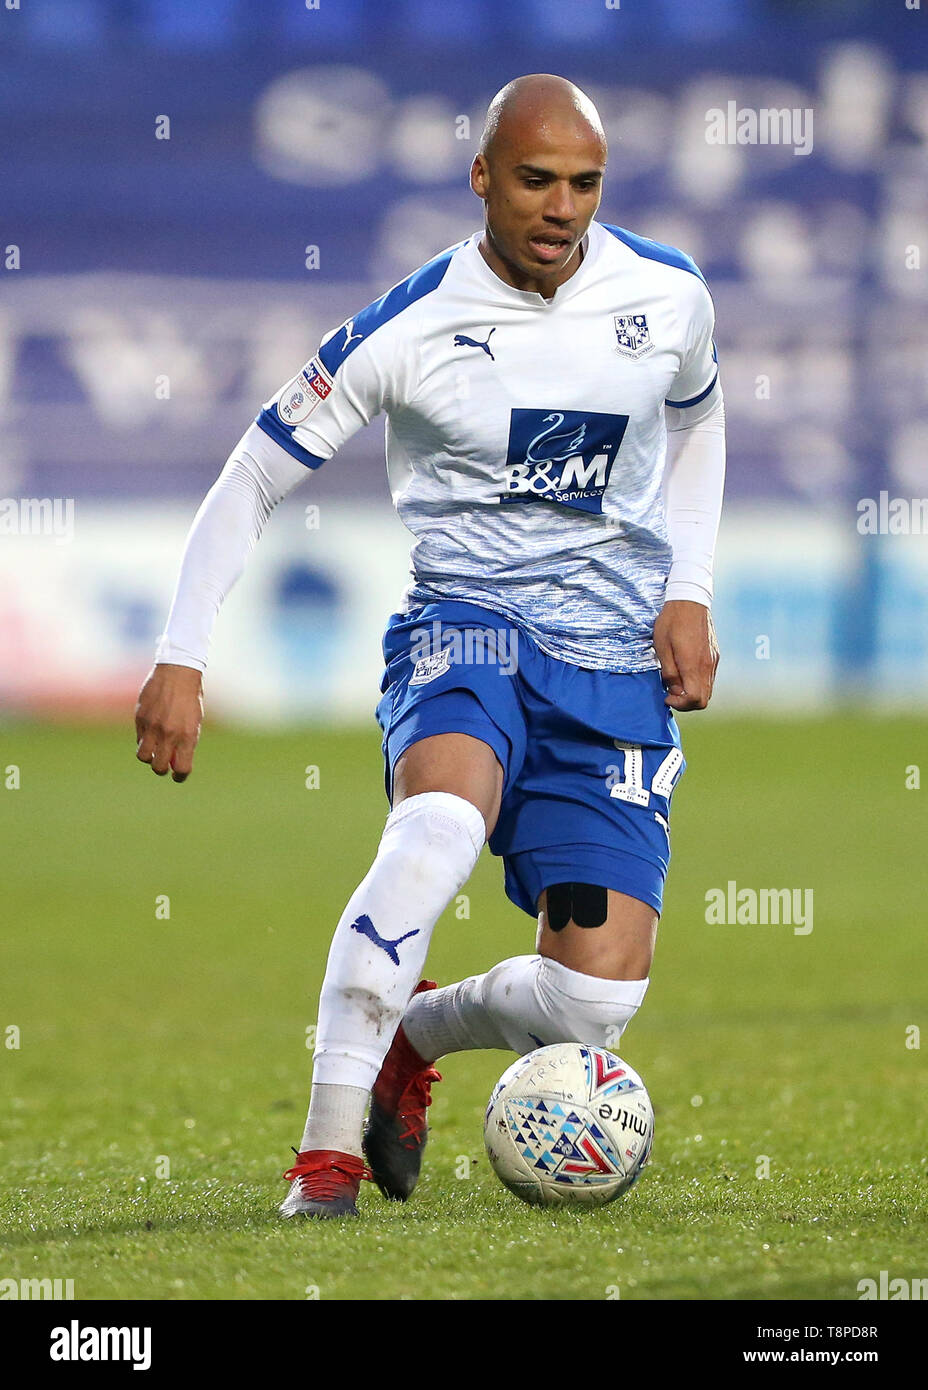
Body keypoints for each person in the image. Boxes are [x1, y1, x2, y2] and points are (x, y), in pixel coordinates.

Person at [135, 73, 725, 1220]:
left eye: (585, 184)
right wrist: (181, 652)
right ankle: (324, 1160)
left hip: (611, 669)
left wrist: (689, 591)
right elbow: (254, 471)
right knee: (432, 835)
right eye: (536, 180)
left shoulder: (669, 293)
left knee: (590, 1004)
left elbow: (698, 423)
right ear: (482, 179)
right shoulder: (412, 323)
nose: (562, 207)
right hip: (465, 635)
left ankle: (414, 1030)